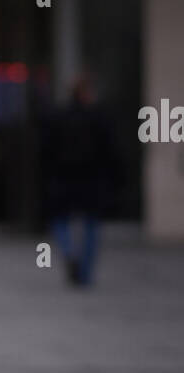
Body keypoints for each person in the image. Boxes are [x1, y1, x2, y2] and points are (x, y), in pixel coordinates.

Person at [40, 74, 123, 286]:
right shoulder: (98, 117)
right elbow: (110, 150)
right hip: (90, 178)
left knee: (61, 221)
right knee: (90, 225)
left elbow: (46, 149)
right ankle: (84, 272)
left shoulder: (59, 116)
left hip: (63, 176)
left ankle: (69, 254)